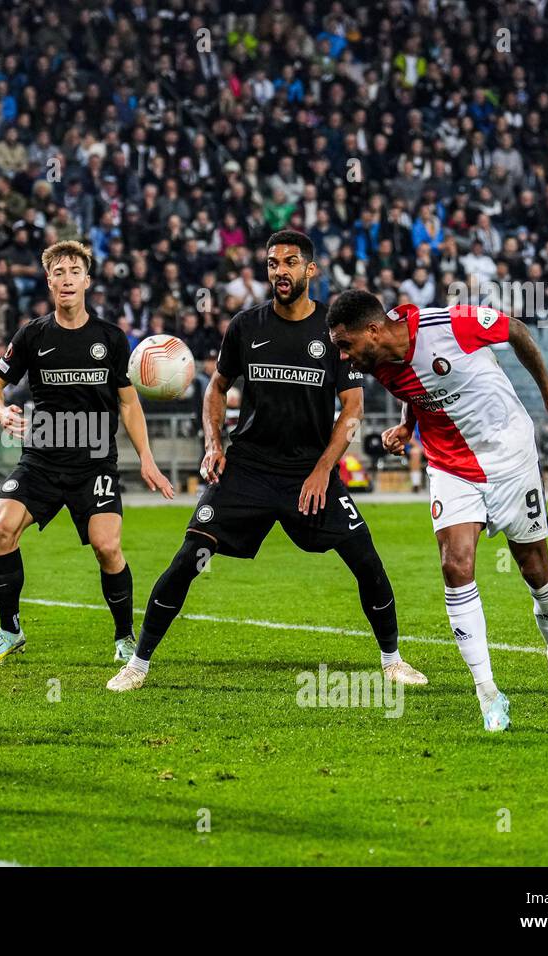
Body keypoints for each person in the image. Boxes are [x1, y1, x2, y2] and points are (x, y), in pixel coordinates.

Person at [108, 232, 426, 692]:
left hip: (309, 475)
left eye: (290, 262)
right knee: (190, 557)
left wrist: (322, 471)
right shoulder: (245, 326)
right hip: (248, 470)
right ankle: (138, 665)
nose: (280, 271)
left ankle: (393, 661)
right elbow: (217, 388)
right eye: (273, 263)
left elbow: (353, 409)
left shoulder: (334, 332)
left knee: (365, 559)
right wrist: (213, 444)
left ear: (310, 270)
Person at [327, 289, 548, 731]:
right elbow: (417, 388)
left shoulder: (446, 326)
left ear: (373, 330)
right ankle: (488, 693)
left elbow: (516, 329)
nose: (343, 356)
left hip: (508, 453)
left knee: (534, 567)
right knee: (455, 565)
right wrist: (407, 425)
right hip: (450, 465)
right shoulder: (378, 362)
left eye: (346, 345)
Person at [0, 240, 175, 664]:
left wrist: (147, 458)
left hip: (94, 463)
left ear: (87, 281)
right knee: (0, 528)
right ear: (49, 282)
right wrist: (0, 411)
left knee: (106, 547)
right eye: (59, 273)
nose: (66, 279)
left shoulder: (111, 338)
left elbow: (129, 404)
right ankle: (10, 631)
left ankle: (125, 637)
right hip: (41, 458)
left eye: (74, 272)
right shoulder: (32, 335)